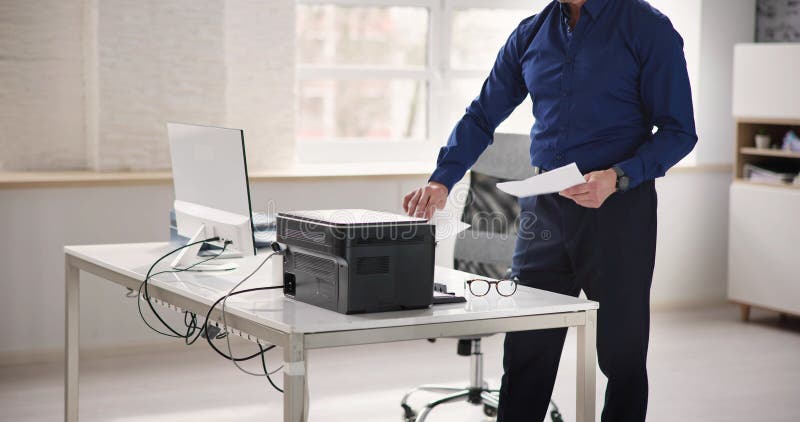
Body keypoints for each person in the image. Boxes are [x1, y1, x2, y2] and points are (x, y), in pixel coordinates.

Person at [403, 0, 697, 421]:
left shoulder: (647, 28)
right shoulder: (531, 33)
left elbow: (678, 131)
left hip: (618, 210)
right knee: (526, 350)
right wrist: (442, 178)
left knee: (622, 356)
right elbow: (483, 113)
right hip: (543, 210)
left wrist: (617, 176)